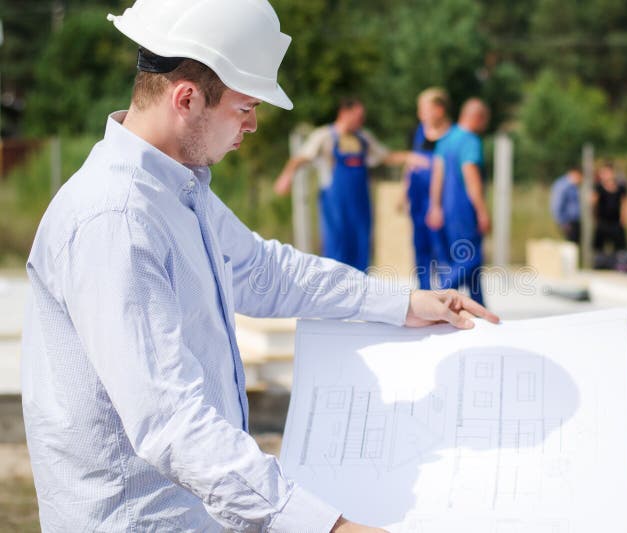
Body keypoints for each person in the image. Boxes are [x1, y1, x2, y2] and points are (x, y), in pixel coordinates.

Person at [21, 2, 499, 532]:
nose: (252, 124)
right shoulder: (115, 220)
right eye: (245, 106)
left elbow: (261, 271)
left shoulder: (176, 190)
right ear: (187, 98)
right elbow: (171, 421)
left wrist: (400, 303)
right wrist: (327, 526)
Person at [274, 97, 426, 271]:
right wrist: (286, 177)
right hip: (335, 203)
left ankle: (360, 290)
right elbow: (300, 158)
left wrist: (409, 157)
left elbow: (386, 157)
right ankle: (334, 291)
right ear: (344, 113)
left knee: (361, 245)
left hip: (360, 204)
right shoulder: (325, 136)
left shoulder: (363, 138)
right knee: (336, 246)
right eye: (358, 116)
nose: (361, 121)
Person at [426, 98, 491, 305]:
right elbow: (471, 176)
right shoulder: (470, 140)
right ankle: (436, 298)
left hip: (447, 209)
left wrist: (435, 206)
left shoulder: (446, 139)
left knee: (463, 261)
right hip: (464, 210)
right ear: (478, 118)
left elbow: (437, 175)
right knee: (470, 259)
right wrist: (482, 211)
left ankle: (479, 307)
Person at [404, 87, 452, 289]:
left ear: (439, 110)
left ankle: (447, 294)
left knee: (442, 252)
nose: (420, 114)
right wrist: (403, 191)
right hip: (417, 202)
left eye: (424, 109)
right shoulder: (419, 132)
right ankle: (424, 294)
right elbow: (411, 162)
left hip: (439, 202)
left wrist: (436, 204)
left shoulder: (451, 137)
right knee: (421, 250)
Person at [592, 163, 627, 269]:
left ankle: (619, 265)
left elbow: (625, 203)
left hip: (616, 221)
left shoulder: (621, 187)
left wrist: (625, 218)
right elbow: (593, 205)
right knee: (599, 246)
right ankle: (600, 265)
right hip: (602, 221)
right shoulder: (598, 187)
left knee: (620, 246)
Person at [549, 167, 583, 244]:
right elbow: (556, 206)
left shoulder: (573, 186)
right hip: (567, 222)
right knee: (570, 246)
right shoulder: (563, 186)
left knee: (574, 245)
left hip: (574, 221)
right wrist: (563, 222)